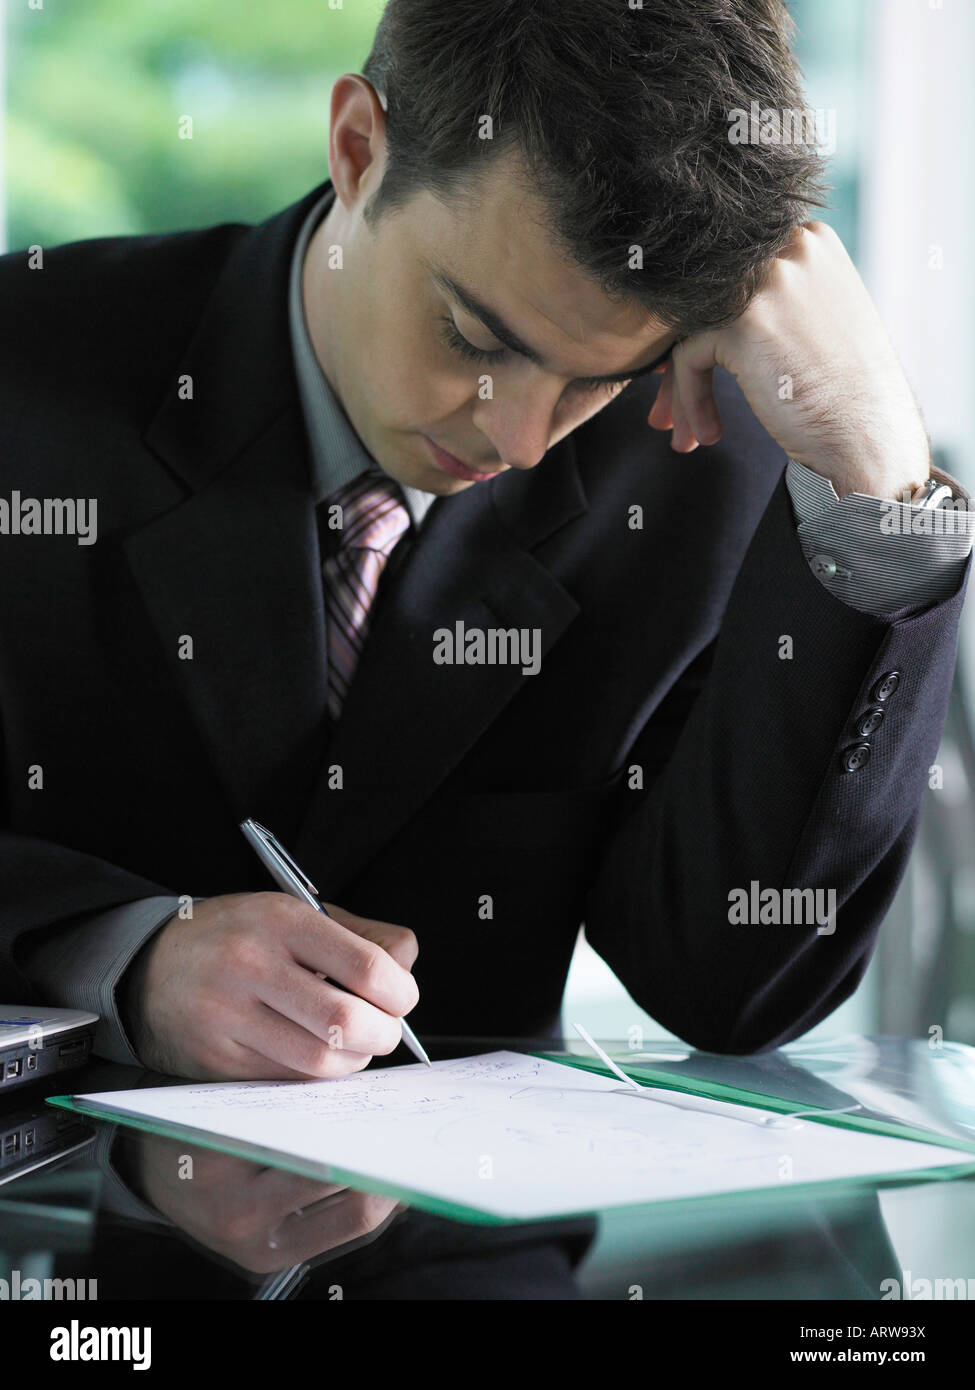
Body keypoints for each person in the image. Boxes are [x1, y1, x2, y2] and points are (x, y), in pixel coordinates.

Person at [2, 0, 970, 1080]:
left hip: (473, 1237)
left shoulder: (701, 466)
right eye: (473, 336)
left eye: (602, 378)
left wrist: (876, 480)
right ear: (359, 148)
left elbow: (736, 988)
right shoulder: (25, 373)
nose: (517, 437)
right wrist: (116, 955)